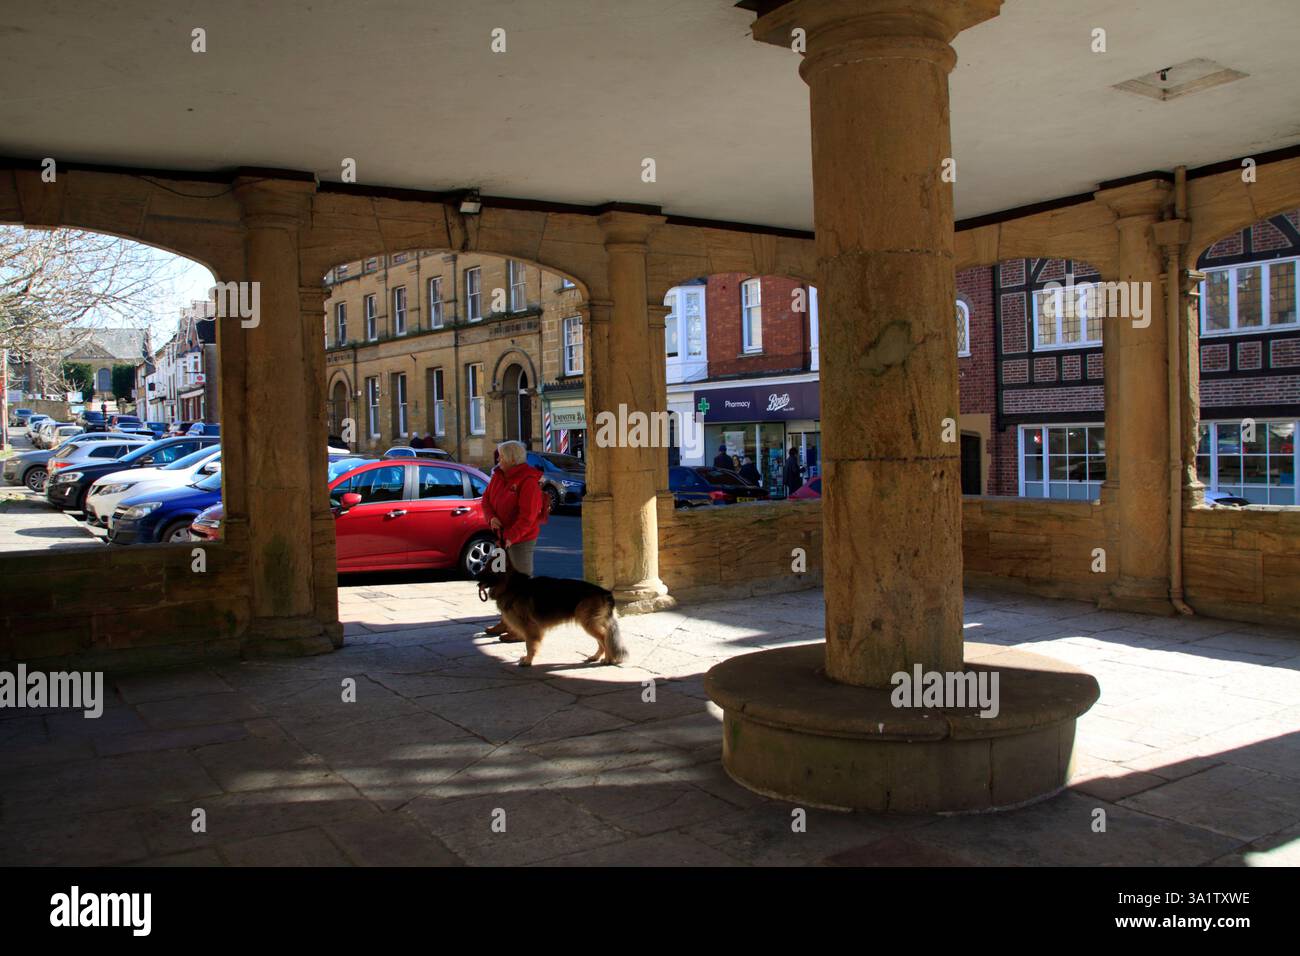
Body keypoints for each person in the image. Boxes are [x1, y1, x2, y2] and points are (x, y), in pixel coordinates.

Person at [481, 440, 545, 642]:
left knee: (520, 587)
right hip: (501, 539)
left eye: (501, 456)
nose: (498, 459)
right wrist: (491, 518)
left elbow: (528, 517)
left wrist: (510, 537)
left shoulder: (527, 481)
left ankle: (521, 629)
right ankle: (506, 621)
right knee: (501, 581)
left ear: (511, 458)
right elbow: (486, 500)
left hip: (520, 541)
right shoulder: (499, 476)